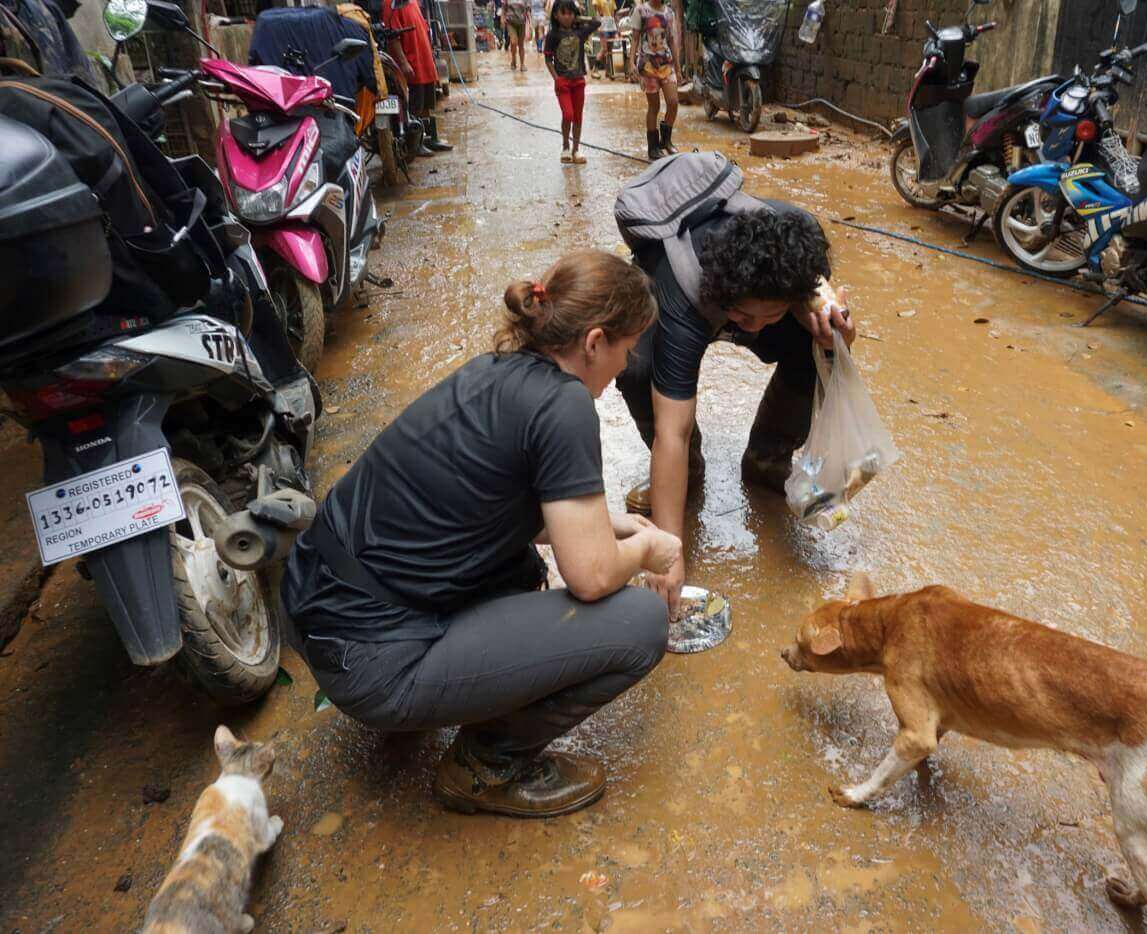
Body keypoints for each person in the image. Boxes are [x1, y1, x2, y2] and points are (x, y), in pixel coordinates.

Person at [282, 250, 679, 818]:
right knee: (639, 623)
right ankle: (484, 767)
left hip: (318, 611)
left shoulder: (501, 369)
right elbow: (591, 577)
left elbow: (498, 502)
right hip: (371, 660)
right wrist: (648, 546)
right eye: (627, 347)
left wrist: (610, 522)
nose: (628, 364)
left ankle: (449, 687)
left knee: (524, 570)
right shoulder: (566, 405)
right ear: (594, 342)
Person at [615, 204, 854, 618]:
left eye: (771, 315)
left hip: (756, 297)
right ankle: (686, 474)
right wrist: (669, 554)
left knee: (812, 344)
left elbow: (838, 365)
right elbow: (673, 430)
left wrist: (837, 343)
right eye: (743, 316)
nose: (754, 328)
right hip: (688, 295)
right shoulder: (682, 290)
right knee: (637, 369)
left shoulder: (799, 262)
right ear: (724, 299)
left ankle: (767, 460)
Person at [383, 0, 451, 153]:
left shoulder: (412, 2)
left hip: (424, 60)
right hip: (412, 62)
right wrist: (403, 63)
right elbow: (392, 38)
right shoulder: (391, 3)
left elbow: (424, 30)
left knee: (427, 103)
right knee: (415, 105)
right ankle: (416, 144)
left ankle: (430, 138)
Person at [543, 0, 600, 165]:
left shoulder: (580, 32)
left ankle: (576, 149)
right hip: (563, 83)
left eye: (570, 13)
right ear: (556, 15)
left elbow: (597, 22)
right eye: (563, 13)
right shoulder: (553, 35)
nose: (567, 17)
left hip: (578, 81)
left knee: (578, 117)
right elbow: (548, 59)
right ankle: (565, 146)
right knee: (568, 114)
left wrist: (579, 18)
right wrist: (556, 78)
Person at [628, 0, 679, 160]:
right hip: (648, 66)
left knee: (673, 102)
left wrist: (678, 67)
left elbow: (672, 41)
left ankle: (666, 140)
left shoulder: (669, 13)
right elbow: (635, 39)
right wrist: (631, 63)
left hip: (666, 64)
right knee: (654, 106)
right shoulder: (641, 11)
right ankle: (653, 147)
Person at [504, 0, 530, 69]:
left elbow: (528, 10)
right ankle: (513, 58)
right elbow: (504, 7)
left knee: (521, 44)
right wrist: (502, 18)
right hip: (510, 22)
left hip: (522, 23)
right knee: (513, 41)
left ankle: (522, 64)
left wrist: (530, 23)